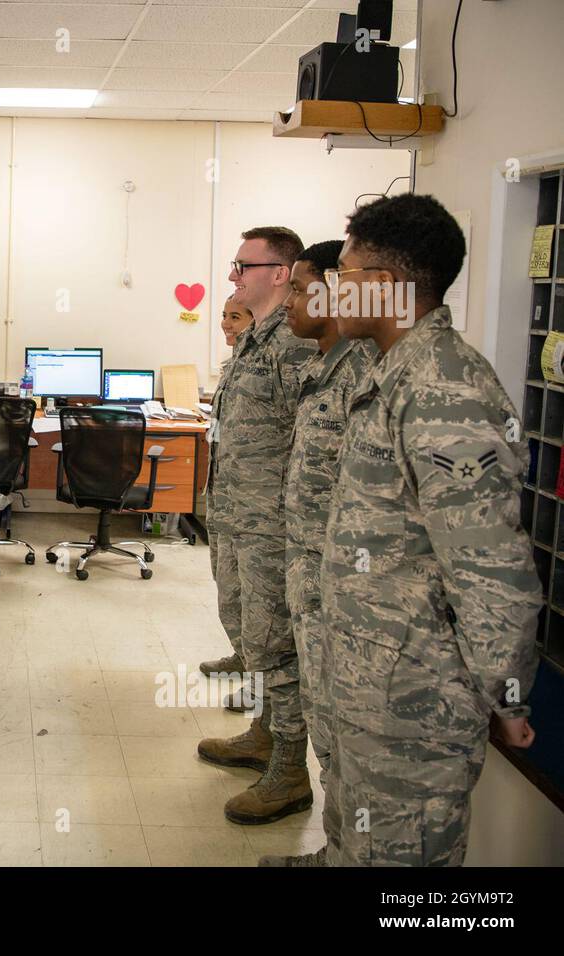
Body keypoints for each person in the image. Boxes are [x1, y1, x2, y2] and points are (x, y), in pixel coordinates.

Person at [322, 194, 540, 865]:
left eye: (346, 277)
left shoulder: (447, 391)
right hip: (371, 685)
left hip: (416, 704)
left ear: (384, 289)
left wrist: (508, 697)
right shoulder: (388, 372)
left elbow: (490, 569)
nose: (335, 293)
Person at [258, 239, 377, 866]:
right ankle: (337, 853)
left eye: (302, 288)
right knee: (329, 732)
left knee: (345, 745)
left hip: (347, 599)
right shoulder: (319, 369)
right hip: (308, 578)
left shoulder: (366, 377)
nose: (293, 303)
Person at [197, 226, 320, 826]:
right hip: (236, 517)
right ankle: (265, 734)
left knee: (276, 646)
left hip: (273, 526)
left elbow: (316, 440)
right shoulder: (253, 340)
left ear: (280, 271)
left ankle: (290, 772)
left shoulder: (293, 345)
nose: (233, 276)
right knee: (246, 631)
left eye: (243, 265)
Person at [199, 295, 255, 688]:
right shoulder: (235, 365)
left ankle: (261, 683)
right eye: (223, 316)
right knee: (228, 587)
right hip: (223, 493)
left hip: (254, 503)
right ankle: (243, 656)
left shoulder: (275, 360)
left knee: (257, 600)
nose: (225, 324)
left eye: (235, 317)